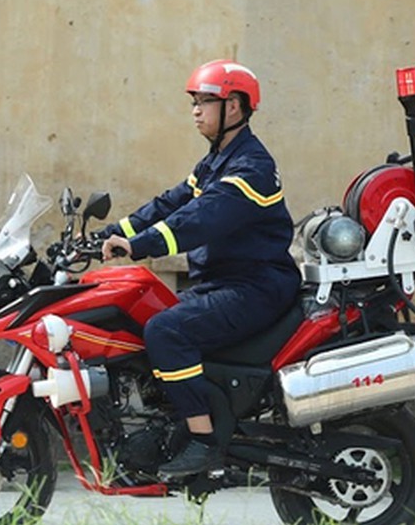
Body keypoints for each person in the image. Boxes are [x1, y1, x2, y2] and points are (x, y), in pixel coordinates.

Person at [99, 59, 299, 478]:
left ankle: (203, 442)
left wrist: (138, 246)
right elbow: (170, 203)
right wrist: (114, 231)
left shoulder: (251, 169)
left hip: (255, 287)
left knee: (166, 331)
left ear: (235, 107)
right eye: (194, 101)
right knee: (140, 315)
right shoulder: (216, 162)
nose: (195, 110)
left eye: (206, 101)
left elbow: (200, 219)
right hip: (221, 284)